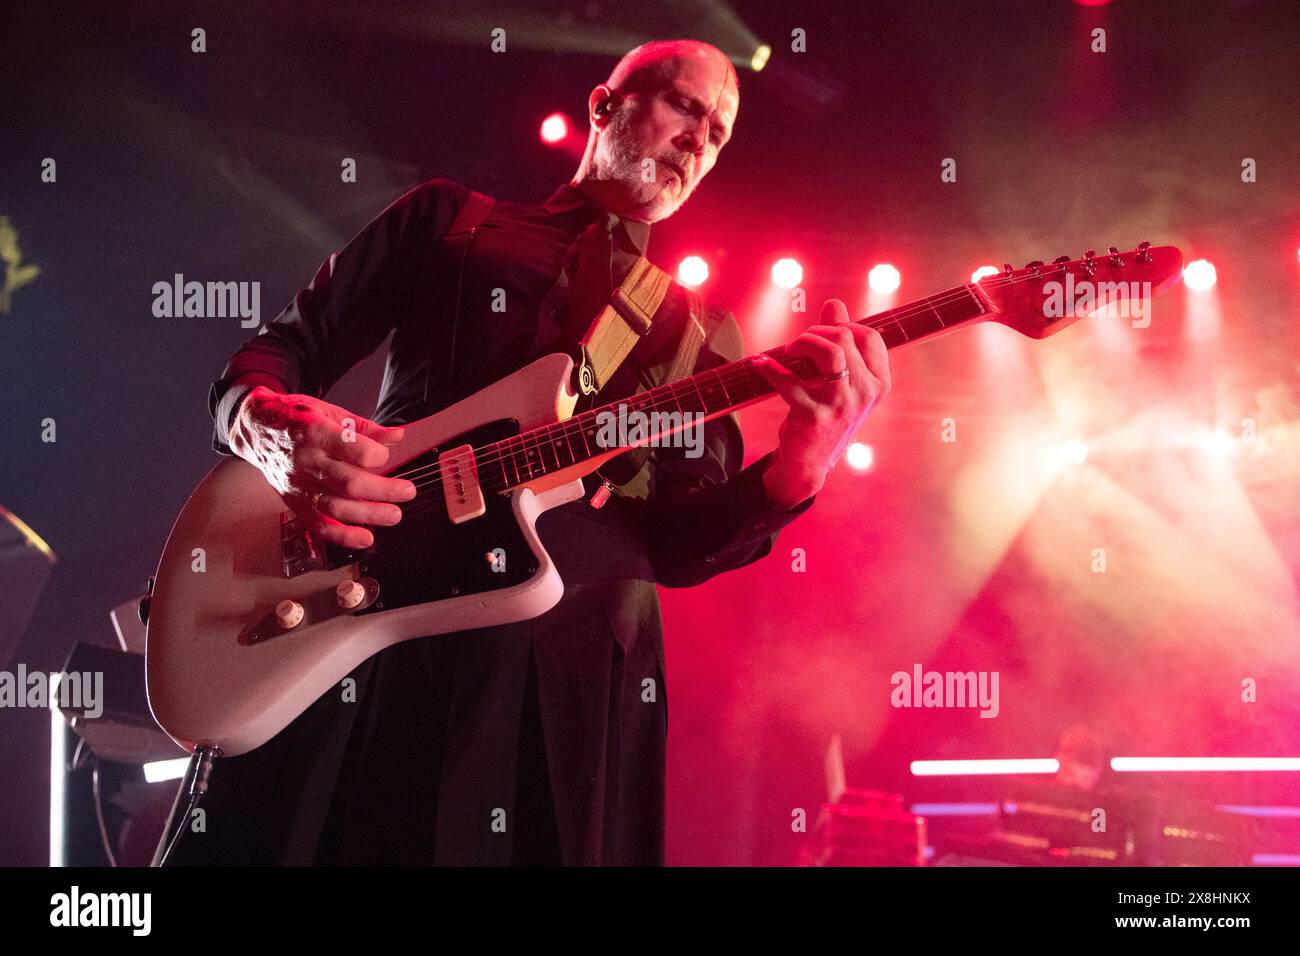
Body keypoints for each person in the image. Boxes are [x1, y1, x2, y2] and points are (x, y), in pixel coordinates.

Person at [158, 39, 890, 866]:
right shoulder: (453, 220)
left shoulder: (701, 332)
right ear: (604, 105)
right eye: (685, 106)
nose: (699, 140)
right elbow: (280, 352)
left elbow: (681, 544)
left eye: (718, 132)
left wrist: (801, 467)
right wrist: (268, 424)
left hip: (569, 681)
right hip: (366, 612)